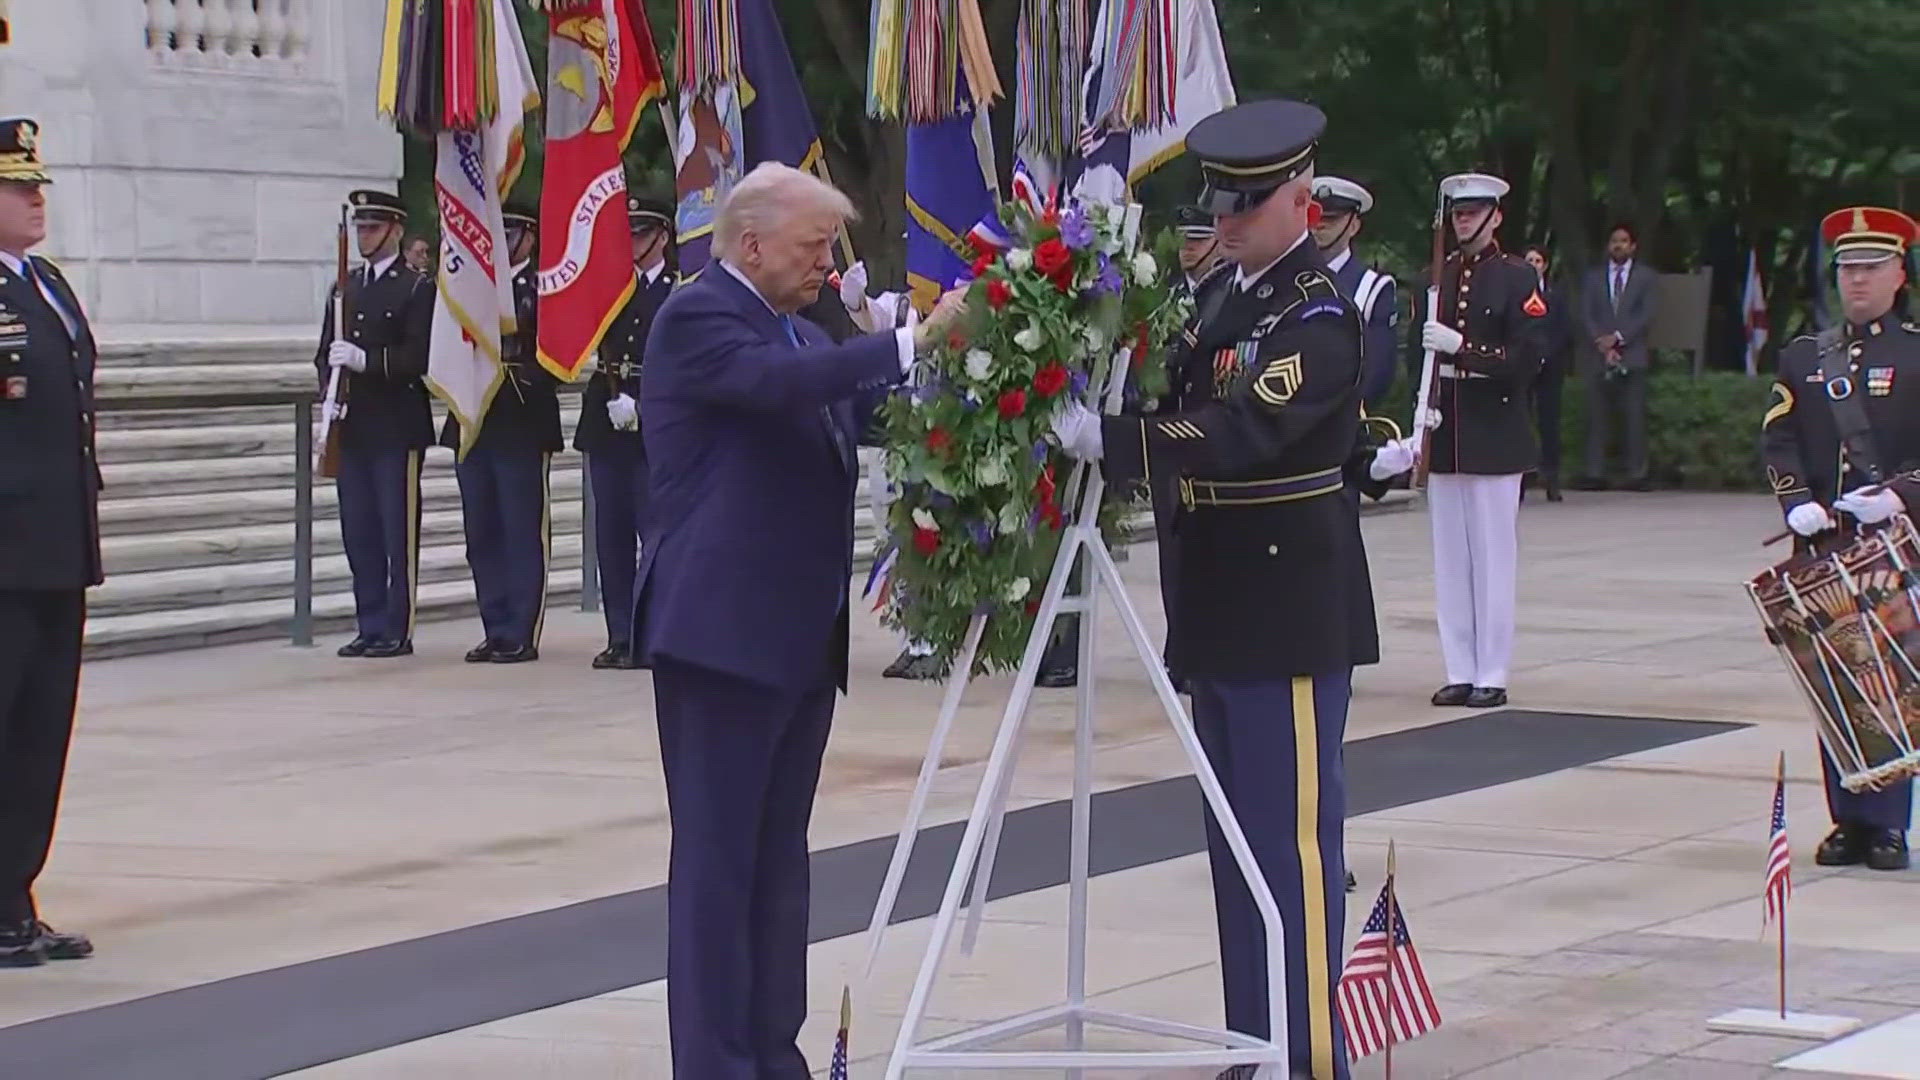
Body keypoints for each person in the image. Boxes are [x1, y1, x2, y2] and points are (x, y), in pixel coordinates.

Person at [1052, 98, 1375, 1080]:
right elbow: (1183, 396)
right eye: (1219, 206)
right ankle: (1257, 1043)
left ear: (1300, 201)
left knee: (1293, 852)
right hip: (1220, 604)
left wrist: (1111, 443)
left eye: (1245, 206)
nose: (1224, 223)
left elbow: (1240, 436)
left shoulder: (1315, 314)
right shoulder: (1227, 300)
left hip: (1285, 611)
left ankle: (1309, 1058)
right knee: (1239, 853)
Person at [634, 162, 965, 1079]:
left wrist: (969, 370)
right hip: (721, 636)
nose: (828, 264)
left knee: (777, 867)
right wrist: (905, 343)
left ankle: (771, 1052)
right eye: (813, 245)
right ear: (750, 243)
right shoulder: (703, 316)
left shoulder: (789, 323)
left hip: (794, 637)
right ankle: (714, 1062)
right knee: (717, 866)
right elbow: (784, 387)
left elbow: (857, 405)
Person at [1764, 205, 1920, 872]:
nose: (1855, 281)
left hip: (1894, 544)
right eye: (1847, 269)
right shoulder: (1804, 356)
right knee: (1834, 680)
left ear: (1899, 273)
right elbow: (1778, 436)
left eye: (1870, 268)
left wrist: (1900, 495)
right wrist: (1795, 500)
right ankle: (1848, 817)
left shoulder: (1915, 353)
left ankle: (1888, 824)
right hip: (1825, 547)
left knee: (1892, 683)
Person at [0, 116, 98, 968]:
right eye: (18, 186)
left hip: (57, 545)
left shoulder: (49, 284)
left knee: (39, 734)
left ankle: (14, 897)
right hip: (2, 551)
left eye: (38, 185)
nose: (36, 198)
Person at [1403, 172, 1544, 709]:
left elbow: (1526, 362)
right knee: (1451, 561)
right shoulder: (1436, 277)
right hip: (1449, 428)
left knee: (1492, 557)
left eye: (1474, 212)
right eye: (1458, 213)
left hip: (1495, 429)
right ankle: (1459, 666)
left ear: (1495, 217)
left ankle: (1493, 670)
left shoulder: (1516, 280)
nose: (1465, 221)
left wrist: (1463, 348)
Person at [318, 189, 434, 658]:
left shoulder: (414, 288)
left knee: (396, 533)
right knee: (359, 530)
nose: (364, 236)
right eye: (360, 228)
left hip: (396, 426)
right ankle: (369, 622)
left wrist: (368, 361)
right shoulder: (346, 287)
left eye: (373, 227)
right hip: (356, 427)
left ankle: (396, 627)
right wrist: (328, 397)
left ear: (395, 230)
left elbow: (419, 356)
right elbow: (324, 352)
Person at [441, 205, 559, 664]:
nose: (501, 242)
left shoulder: (544, 289)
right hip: (474, 419)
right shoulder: (472, 287)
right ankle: (494, 625)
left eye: (509, 233)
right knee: (482, 531)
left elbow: (555, 358)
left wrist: (506, 372)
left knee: (520, 529)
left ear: (529, 238)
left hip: (520, 421)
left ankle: (520, 630)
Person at [575, 195, 675, 670]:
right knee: (610, 535)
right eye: (628, 235)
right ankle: (620, 634)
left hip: (653, 425)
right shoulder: (610, 288)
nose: (632, 244)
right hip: (607, 420)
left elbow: (684, 363)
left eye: (641, 235)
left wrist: (647, 403)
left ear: (662, 237)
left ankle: (653, 632)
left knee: (653, 535)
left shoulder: (678, 293)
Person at [836, 261, 940, 681]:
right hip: (892, 443)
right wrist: (854, 298)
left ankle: (934, 640)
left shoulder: (956, 307)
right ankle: (911, 639)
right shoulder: (900, 308)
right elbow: (871, 319)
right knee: (892, 543)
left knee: (928, 538)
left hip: (933, 447)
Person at [1577, 222, 1658, 490]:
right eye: (1614, 241)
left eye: (1624, 241)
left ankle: (1637, 474)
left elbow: (1646, 314)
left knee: (1634, 416)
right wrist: (1601, 341)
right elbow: (1586, 312)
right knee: (1596, 416)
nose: (1618, 245)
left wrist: (1619, 337)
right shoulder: (1593, 277)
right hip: (1598, 355)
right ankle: (1594, 472)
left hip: (1632, 354)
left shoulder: (1646, 277)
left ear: (1633, 246)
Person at [1312, 175, 1398, 408]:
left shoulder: (1372, 288)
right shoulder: (1287, 278)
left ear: (1353, 226)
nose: (1319, 224)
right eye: (1315, 216)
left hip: (1342, 423)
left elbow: (1378, 373)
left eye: (1331, 219)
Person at [1523, 244, 1572, 502]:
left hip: (1550, 367)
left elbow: (1563, 330)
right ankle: (1520, 478)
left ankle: (1552, 478)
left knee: (1549, 422)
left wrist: (1545, 354)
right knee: (1521, 420)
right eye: (1528, 259)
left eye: (1538, 260)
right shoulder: (1515, 294)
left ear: (1546, 265)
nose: (1533, 264)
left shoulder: (1556, 294)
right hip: (1522, 367)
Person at [1174, 204, 1224, 294]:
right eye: (1182, 239)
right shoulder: (1165, 291)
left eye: (1199, 239)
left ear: (1219, 243)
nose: (1188, 246)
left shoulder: (1231, 293)